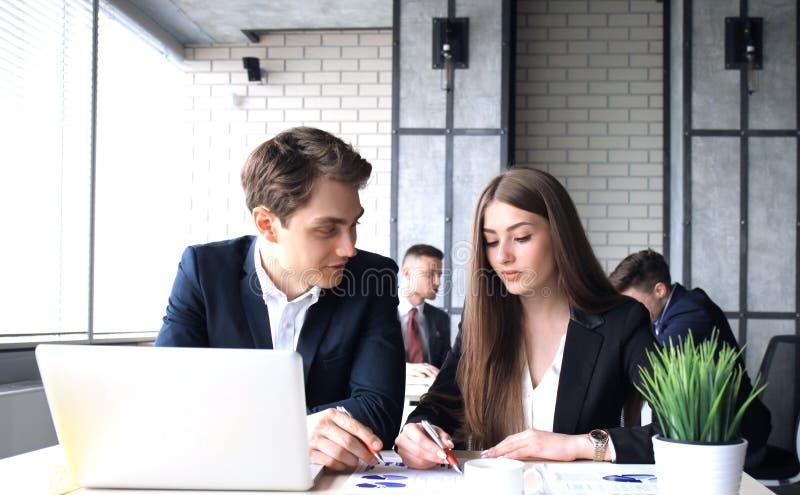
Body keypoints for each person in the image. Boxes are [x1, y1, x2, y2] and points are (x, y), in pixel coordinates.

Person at [155, 127, 405, 471]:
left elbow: (379, 412)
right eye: (328, 229)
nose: (349, 247)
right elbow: (169, 400)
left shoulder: (371, 279)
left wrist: (239, 427)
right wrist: (291, 432)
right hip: (222, 479)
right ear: (267, 224)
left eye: (353, 224)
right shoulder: (203, 272)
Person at [395, 167, 658, 469]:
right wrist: (418, 431)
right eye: (491, 242)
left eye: (521, 237)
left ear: (561, 236)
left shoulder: (621, 321)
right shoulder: (483, 318)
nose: (502, 256)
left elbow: (682, 431)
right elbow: (440, 404)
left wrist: (577, 445)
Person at [609, 249, 771, 466]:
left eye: (633, 303)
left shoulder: (691, 313)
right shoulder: (672, 312)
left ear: (659, 290)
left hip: (736, 440)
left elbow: (654, 367)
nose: (630, 311)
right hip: (709, 437)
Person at [398, 244, 451, 379]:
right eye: (430, 274)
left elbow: (445, 366)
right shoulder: (378, 312)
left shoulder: (441, 319)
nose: (438, 282)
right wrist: (400, 369)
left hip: (429, 396)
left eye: (439, 275)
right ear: (407, 273)